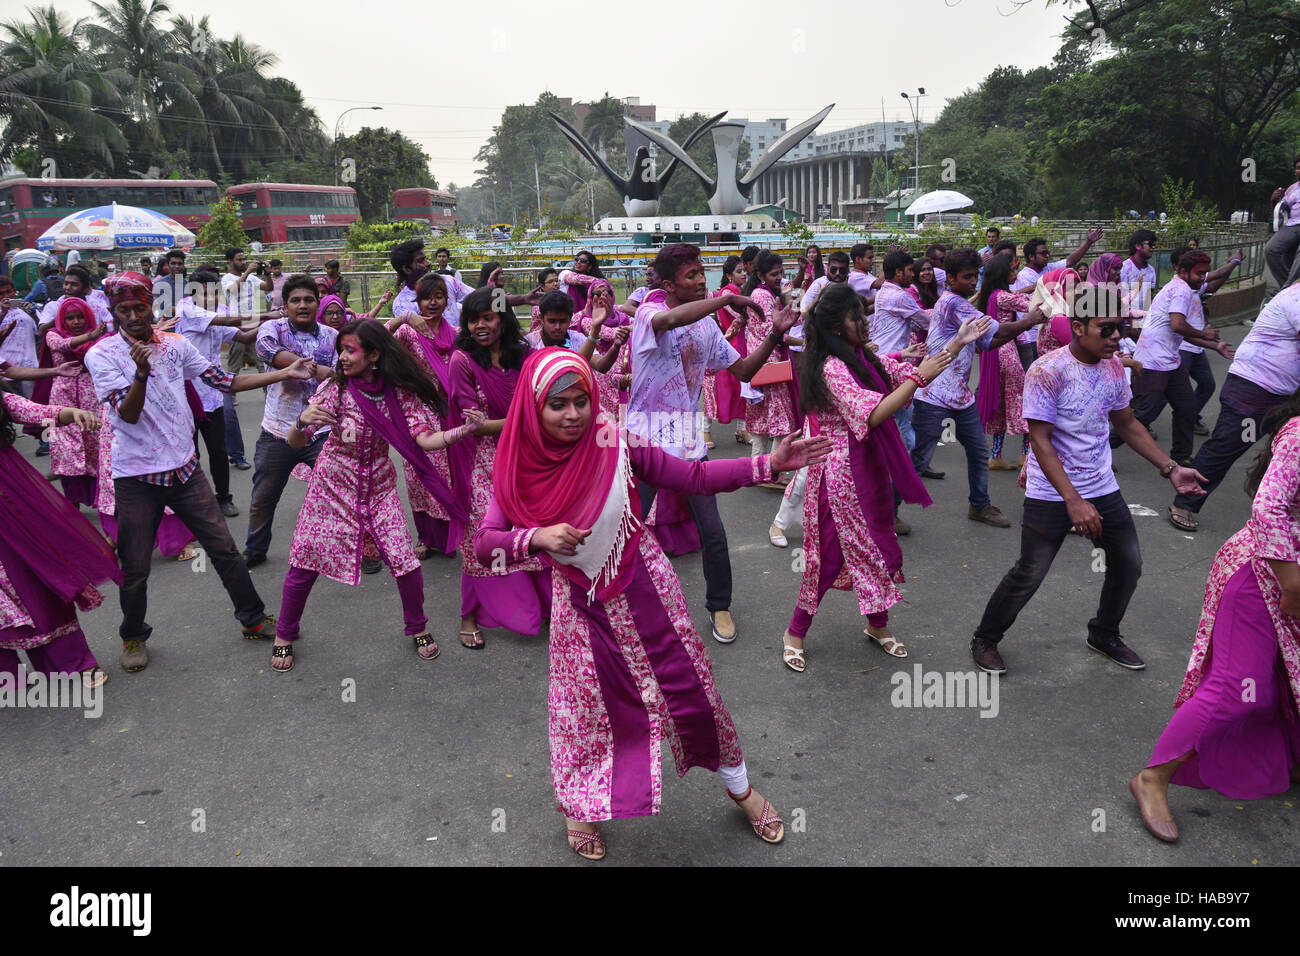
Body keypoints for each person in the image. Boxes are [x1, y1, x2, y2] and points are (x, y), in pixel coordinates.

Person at [474, 347, 830, 859]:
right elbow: (485, 545)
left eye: (581, 401)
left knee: (693, 692)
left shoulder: (611, 440)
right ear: (534, 407)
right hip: (582, 607)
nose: (573, 415)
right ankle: (579, 807)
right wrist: (535, 537)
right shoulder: (516, 467)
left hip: (647, 588)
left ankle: (741, 789)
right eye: (558, 405)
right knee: (586, 713)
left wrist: (767, 463)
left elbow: (693, 478)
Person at [83, 272, 315, 673]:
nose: (135, 316)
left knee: (224, 549)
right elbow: (128, 413)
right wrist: (140, 373)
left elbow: (225, 381)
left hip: (186, 471)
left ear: (151, 306)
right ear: (113, 313)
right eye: (125, 310)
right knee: (135, 565)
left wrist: (283, 373)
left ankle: (253, 618)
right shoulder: (102, 355)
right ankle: (133, 634)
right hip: (136, 478)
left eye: (141, 307)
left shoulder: (175, 345)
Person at [969, 284, 1207, 675]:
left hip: (1102, 486)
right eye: (1108, 328)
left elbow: (1127, 423)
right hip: (1052, 491)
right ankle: (985, 638)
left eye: (1123, 328)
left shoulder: (1113, 367)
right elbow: (1040, 441)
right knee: (1030, 572)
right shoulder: (1047, 370)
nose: (1118, 337)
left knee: (1128, 564)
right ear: (1078, 327)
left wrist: (1171, 468)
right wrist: (1073, 501)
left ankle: (1104, 633)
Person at [779, 283, 978, 672]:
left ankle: (877, 625)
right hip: (838, 477)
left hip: (866, 468)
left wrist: (955, 345)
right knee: (830, 558)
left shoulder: (859, 356)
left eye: (863, 314)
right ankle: (795, 631)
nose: (865, 322)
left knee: (879, 549)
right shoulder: (832, 368)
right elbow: (873, 413)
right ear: (837, 326)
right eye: (856, 317)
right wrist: (918, 379)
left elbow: (906, 371)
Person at [1130, 402, 1300, 843]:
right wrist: (1293, 585)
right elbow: (1268, 510)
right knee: (1239, 687)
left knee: (1286, 675)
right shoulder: (1299, 434)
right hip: (1261, 576)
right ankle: (1153, 777)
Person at [268, 321, 477, 672]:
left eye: (351, 350)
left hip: (379, 486)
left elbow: (423, 440)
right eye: (342, 350)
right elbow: (295, 443)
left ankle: (418, 627)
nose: (343, 357)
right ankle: (284, 634)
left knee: (404, 561)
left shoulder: (401, 394)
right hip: (332, 485)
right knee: (305, 559)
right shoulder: (335, 389)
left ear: (375, 354)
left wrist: (462, 430)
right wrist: (301, 422)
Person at [628, 243, 796, 645]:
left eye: (702, 272)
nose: (702, 280)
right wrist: (728, 298)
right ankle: (617, 605)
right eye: (691, 276)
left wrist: (774, 333)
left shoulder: (706, 325)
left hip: (688, 444)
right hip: (644, 441)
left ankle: (720, 606)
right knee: (629, 532)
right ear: (668, 283)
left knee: (714, 533)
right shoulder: (649, 314)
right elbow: (671, 318)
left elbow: (743, 370)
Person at [909, 249, 1045, 528]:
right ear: (950, 278)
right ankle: (887, 509)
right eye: (967, 277)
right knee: (920, 459)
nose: (973, 282)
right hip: (934, 392)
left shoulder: (960, 304)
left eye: (975, 276)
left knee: (978, 451)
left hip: (960, 394)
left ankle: (980, 506)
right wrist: (1030, 320)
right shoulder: (953, 303)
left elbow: (988, 342)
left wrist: (1019, 327)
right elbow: (998, 332)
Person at [448, 288, 552, 648]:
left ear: (503, 319)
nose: (480, 325)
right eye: (473, 319)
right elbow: (470, 423)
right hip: (483, 462)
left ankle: (539, 606)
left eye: (488, 317)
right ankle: (469, 614)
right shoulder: (461, 360)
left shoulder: (525, 356)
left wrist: (517, 421)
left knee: (531, 530)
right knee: (481, 537)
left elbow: (545, 401)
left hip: (527, 458)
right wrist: (524, 419)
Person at [0, 383, 115, 690]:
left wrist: (69, 413)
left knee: (33, 574)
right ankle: (7, 676)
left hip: (8, 500)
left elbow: (32, 410)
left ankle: (72, 663)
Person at [1169, 283, 1300, 531]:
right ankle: (1184, 502)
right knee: (1230, 444)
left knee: (1285, 450)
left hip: (1284, 392)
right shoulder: (1296, 298)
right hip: (1254, 388)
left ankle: (1278, 509)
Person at [242, 276, 339, 569]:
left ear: (317, 302)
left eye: (308, 299)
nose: (302, 305)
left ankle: (352, 548)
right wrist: (315, 368)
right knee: (263, 497)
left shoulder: (332, 336)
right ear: (285, 305)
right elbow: (266, 351)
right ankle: (255, 550)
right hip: (278, 430)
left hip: (320, 430)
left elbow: (340, 372)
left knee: (337, 493)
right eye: (295, 300)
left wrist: (325, 372)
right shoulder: (272, 328)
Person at [176, 266, 269, 518]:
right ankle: (191, 503)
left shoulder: (219, 309)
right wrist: (271, 314)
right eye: (202, 294)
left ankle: (224, 497)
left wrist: (278, 322)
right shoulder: (186, 309)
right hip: (184, 394)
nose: (208, 299)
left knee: (218, 450)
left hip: (214, 391)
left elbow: (245, 336)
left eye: (212, 293)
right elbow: (228, 321)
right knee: (189, 453)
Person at [1128, 250, 1234, 472]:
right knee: (1145, 413)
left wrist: (1215, 345)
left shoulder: (1182, 288)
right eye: (1199, 273)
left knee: (1186, 406)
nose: (1203, 278)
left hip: (1170, 360)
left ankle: (1182, 457)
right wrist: (1204, 334)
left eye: (1205, 273)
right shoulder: (1181, 291)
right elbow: (1177, 325)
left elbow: (1178, 331)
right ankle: (1105, 447)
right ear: (1183, 271)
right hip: (1153, 360)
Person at [740, 251, 800, 481]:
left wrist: (795, 293)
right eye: (775, 274)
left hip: (763, 363)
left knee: (762, 422)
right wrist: (800, 341)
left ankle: (758, 471)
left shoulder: (763, 292)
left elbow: (797, 315)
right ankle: (773, 472)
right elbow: (774, 332)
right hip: (770, 363)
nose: (780, 277)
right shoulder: (763, 296)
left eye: (781, 272)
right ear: (761, 275)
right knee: (779, 421)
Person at [45, 299, 109, 507]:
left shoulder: (100, 339)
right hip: (61, 398)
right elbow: (62, 345)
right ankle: (72, 502)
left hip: (92, 395)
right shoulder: (53, 334)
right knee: (65, 450)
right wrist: (91, 335)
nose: (75, 322)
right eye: (70, 318)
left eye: (80, 316)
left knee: (94, 446)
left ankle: (99, 498)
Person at [975, 255, 1035, 471]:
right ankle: (1026, 455)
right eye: (1012, 271)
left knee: (1000, 404)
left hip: (993, 354)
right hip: (1007, 352)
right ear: (1002, 274)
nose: (1015, 274)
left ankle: (996, 455)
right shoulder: (1004, 297)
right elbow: (1031, 306)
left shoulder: (991, 296)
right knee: (1023, 401)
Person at [708, 256, 749, 446]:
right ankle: (705, 431)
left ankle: (742, 429)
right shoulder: (726, 294)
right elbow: (742, 316)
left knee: (745, 388)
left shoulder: (741, 292)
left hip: (741, 342)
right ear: (728, 275)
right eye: (739, 271)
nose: (743, 274)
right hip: (729, 343)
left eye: (744, 271)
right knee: (719, 390)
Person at [391, 239, 474, 325]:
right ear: (407, 269)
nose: (428, 263)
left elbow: (476, 300)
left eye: (425, 259)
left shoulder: (447, 281)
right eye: (420, 261)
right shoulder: (402, 305)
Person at [1264, 153, 1300, 289]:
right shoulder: (1292, 189)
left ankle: (1290, 288)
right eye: (1298, 168)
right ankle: (1288, 288)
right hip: (1291, 226)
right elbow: (1281, 210)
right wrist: (1274, 200)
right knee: (1270, 250)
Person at [1120, 229, 1159, 313]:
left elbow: (1149, 298)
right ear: (1138, 246)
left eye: (1154, 245)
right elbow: (1121, 299)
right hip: (1128, 321)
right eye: (1150, 244)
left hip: (1145, 320)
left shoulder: (1151, 270)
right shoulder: (1124, 269)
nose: (1153, 248)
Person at [152, 250, 187, 322]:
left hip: (184, 326)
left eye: (179, 264)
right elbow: (160, 308)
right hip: (166, 327)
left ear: (183, 266)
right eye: (173, 263)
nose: (176, 266)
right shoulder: (159, 283)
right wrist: (186, 309)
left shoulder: (187, 284)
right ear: (168, 265)